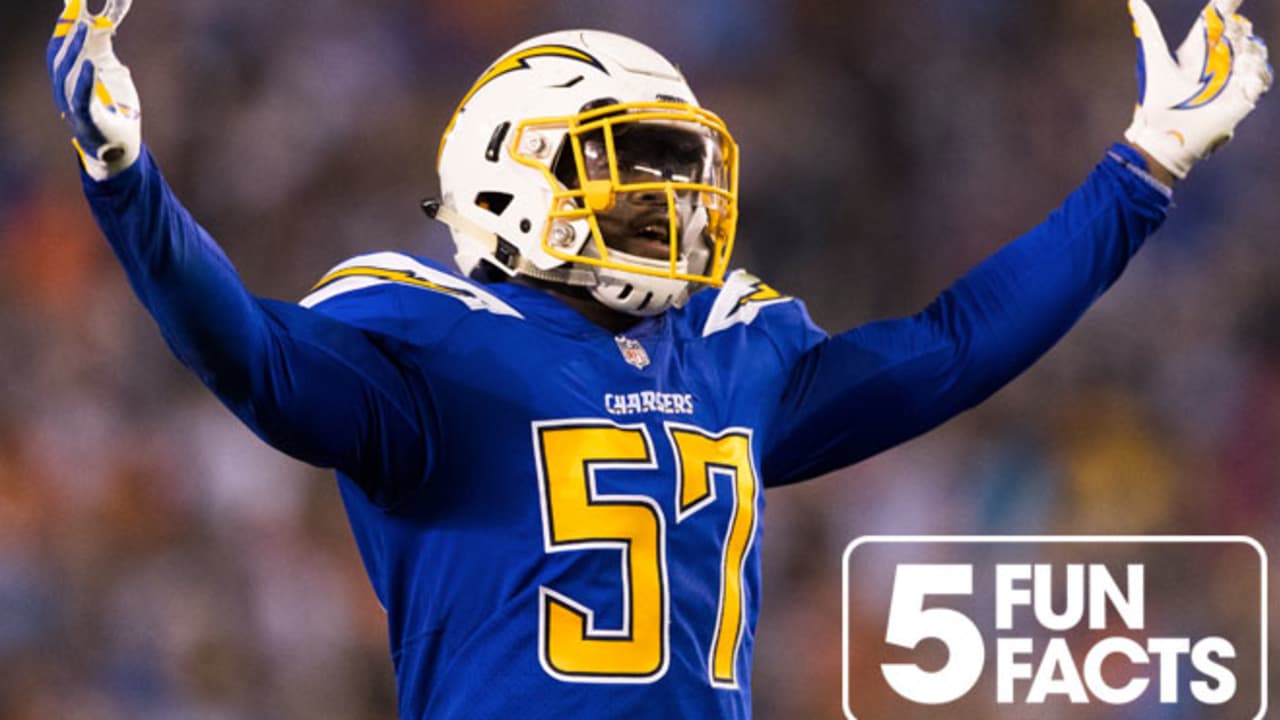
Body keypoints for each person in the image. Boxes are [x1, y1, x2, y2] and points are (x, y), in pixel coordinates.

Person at [46, 0, 1270, 717]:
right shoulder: (427, 347)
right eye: (627, 160)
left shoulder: (733, 350)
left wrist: (1139, 168)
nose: (669, 199)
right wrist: (128, 183)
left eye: (679, 168)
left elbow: (951, 347)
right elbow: (248, 354)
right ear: (506, 171)